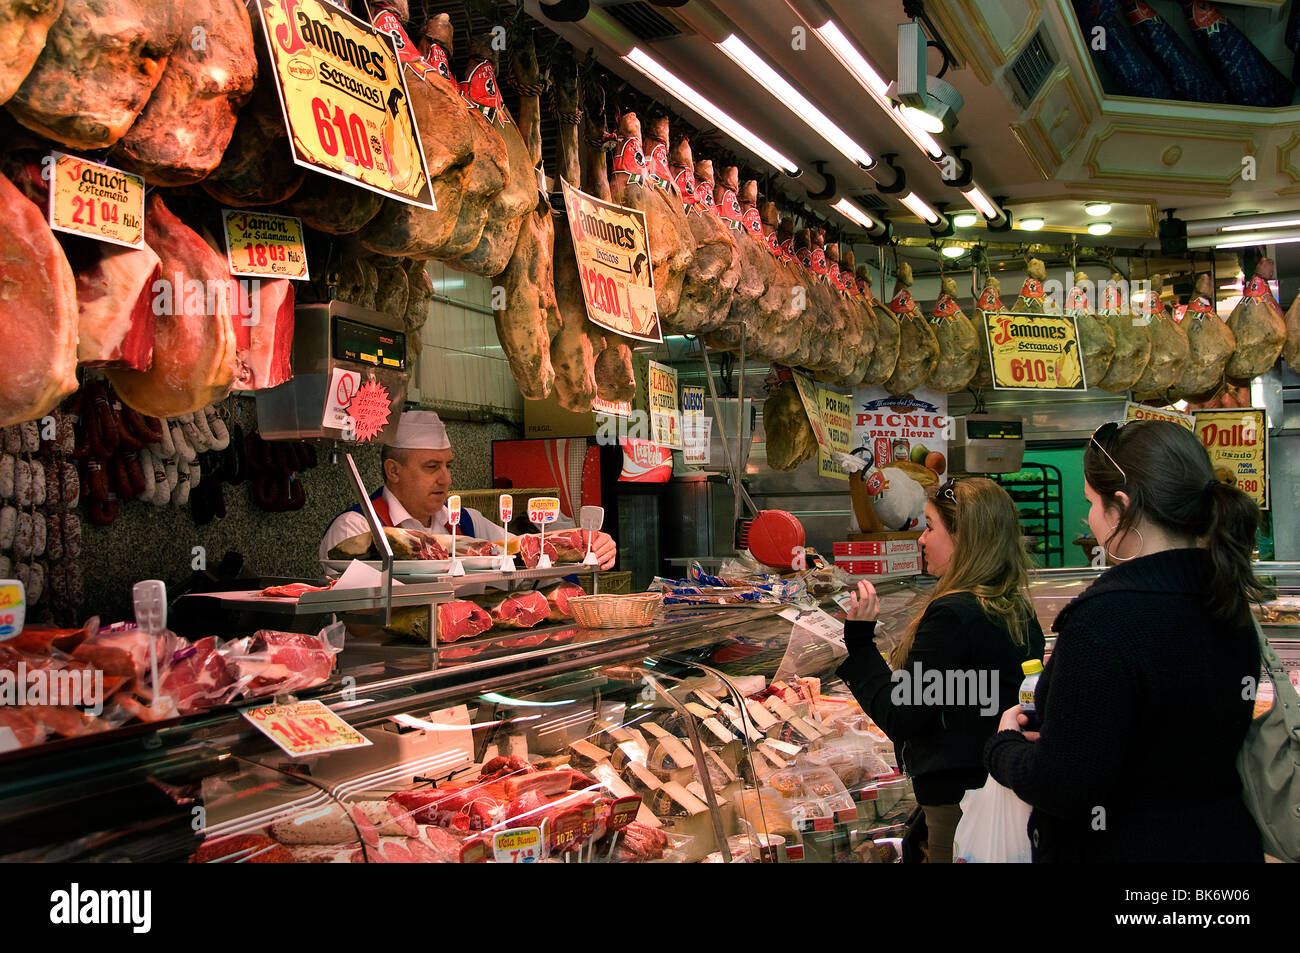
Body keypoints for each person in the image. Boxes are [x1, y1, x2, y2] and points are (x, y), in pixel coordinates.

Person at [985, 420, 1266, 862]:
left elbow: (1063, 786)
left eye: (1091, 503)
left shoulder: (1103, 619)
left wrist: (1004, 747)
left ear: (1122, 506)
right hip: (1224, 845)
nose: (1090, 518)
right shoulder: (1227, 599)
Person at [838, 477, 1045, 862]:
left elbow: (902, 715)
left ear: (963, 538)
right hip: (991, 790)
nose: (921, 539)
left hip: (959, 804)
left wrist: (860, 643)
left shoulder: (953, 614)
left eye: (930, 527)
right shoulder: (1015, 607)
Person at [319, 410, 617, 568]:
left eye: (448, 466)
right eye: (432, 467)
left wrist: (585, 541)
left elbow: (523, 548)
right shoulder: (357, 528)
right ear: (393, 471)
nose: (446, 479)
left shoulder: (467, 521)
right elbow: (359, 618)